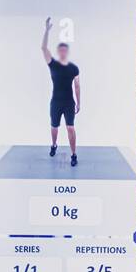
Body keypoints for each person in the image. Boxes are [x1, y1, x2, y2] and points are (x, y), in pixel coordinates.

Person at [41, 18, 80, 167]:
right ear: (58, 51)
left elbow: (77, 86)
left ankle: (74, 155)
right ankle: (54, 144)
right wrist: (47, 30)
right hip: (55, 102)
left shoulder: (74, 68)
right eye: (60, 50)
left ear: (67, 52)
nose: (63, 52)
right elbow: (43, 49)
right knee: (54, 127)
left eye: (65, 50)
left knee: (70, 127)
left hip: (69, 103)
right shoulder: (53, 65)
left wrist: (79, 103)